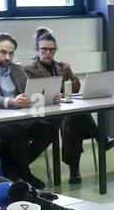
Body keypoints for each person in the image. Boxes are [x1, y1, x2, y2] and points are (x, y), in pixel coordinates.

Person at [24, 27, 109, 186]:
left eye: (51, 50)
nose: (48, 53)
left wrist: (62, 92)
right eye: (44, 49)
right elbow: (33, 94)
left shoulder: (64, 66)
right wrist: (58, 92)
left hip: (65, 111)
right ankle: (100, 139)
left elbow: (75, 87)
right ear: (37, 50)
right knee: (75, 117)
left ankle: (75, 170)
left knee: (74, 119)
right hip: (43, 113)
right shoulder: (29, 70)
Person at [0, 33, 53, 188]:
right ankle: (25, 172)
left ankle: (13, 168)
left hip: (19, 117)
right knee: (18, 132)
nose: (7, 57)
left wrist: (47, 96)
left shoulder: (17, 68)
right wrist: (11, 102)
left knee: (48, 129)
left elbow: (28, 92)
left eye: (11, 53)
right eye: (3, 52)